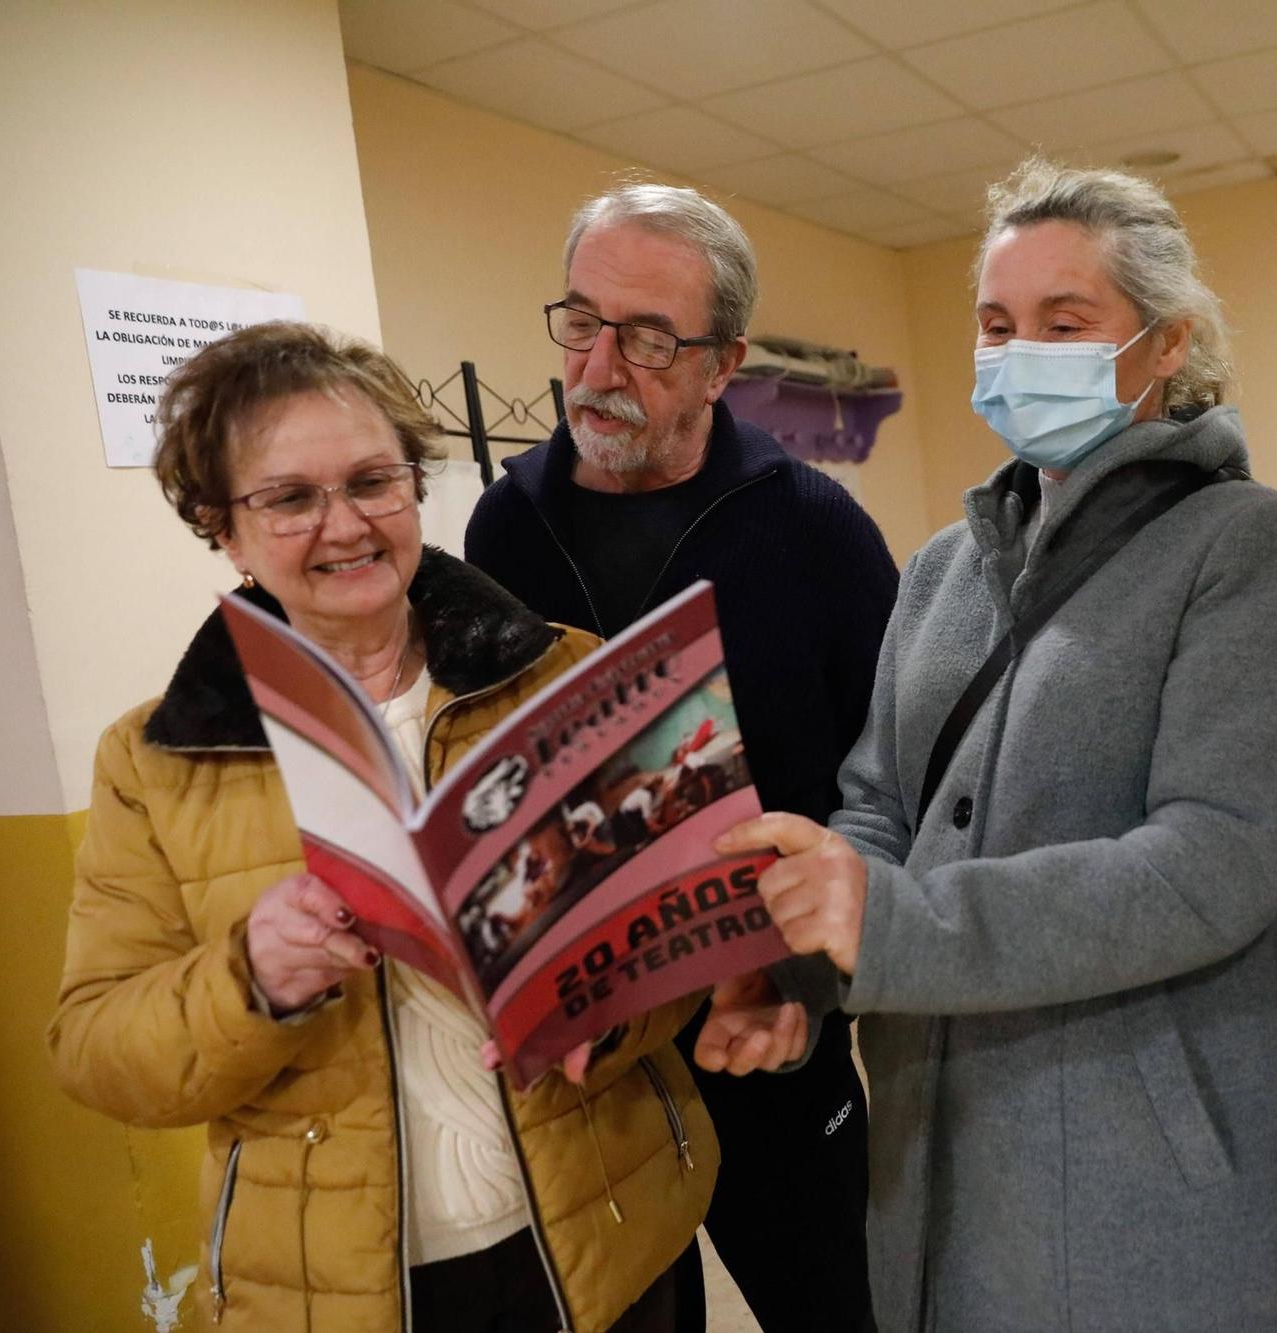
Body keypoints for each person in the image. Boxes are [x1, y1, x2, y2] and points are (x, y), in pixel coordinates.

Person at [696, 158, 1277, 1332]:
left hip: (1138, 1160)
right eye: (997, 325)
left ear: (1165, 344)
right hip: (933, 1131)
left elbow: (1211, 863)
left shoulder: (1251, 550)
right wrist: (804, 961)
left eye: (1066, 321)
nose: (1017, 352)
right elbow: (876, 806)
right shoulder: (944, 566)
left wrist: (893, 923)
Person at [47, 322, 714, 1332]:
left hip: (605, 1226)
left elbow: (683, 933)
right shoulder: (152, 759)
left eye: (373, 480)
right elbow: (97, 1047)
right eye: (288, 497)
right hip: (333, 1288)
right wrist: (252, 976)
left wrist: (604, 1012)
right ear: (221, 528)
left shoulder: (566, 675)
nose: (345, 525)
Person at [465, 182, 894, 1332]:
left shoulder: (813, 529)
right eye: (580, 322)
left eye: (650, 338)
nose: (601, 365)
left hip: (768, 1020)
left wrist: (812, 985)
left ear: (722, 364)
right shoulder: (502, 527)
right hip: (592, 1056)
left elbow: (893, 787)